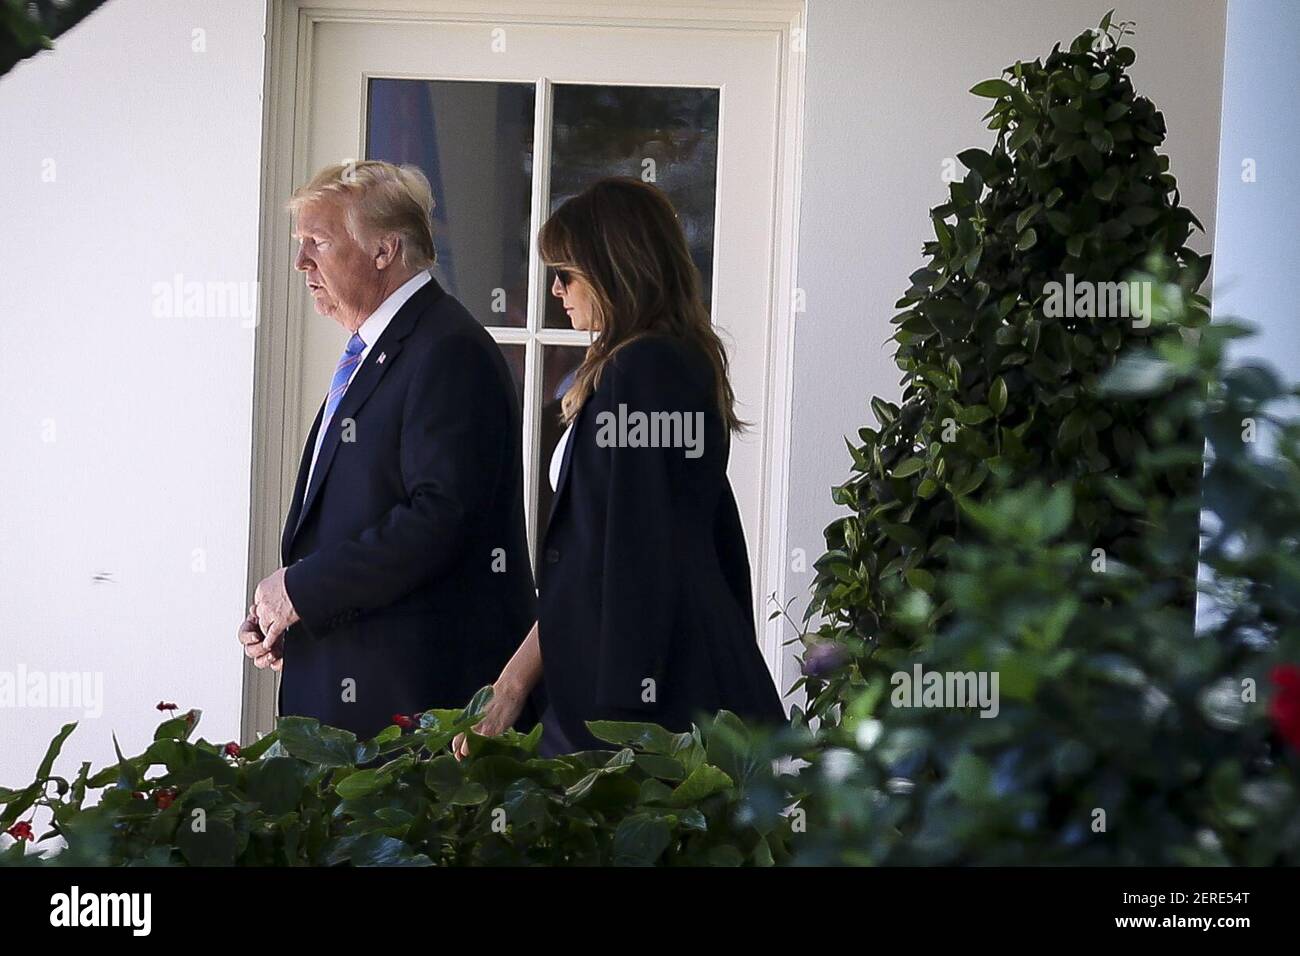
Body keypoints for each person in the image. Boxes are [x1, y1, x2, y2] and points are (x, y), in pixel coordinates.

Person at [457, 177, 785, 757]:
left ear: (616, 270)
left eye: (567, 273)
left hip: (637, 697)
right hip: (636, 683)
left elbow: (640, 558)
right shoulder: (655, 363)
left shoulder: (646, 368)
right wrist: (513, 684)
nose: (555, 290)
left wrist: (613, 721)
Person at [237, 160, 537, 739]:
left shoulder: (447, 350)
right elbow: (357, 516)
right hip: (354, 693)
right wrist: (290, 613)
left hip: (414, 712)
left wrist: (303, 589)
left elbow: (439, 519)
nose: (301, 263)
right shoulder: (381, 347)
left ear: (384, 252)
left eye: (318, 243)